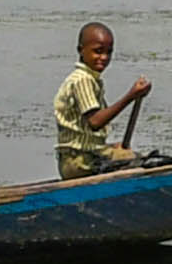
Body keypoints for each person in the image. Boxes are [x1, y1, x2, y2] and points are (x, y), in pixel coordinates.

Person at [52, 21, 159, 180]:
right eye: (98, 51)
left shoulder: (91, 79)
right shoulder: (82, 80)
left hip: (83, 157)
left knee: (127, 154)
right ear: (81, 50)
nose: (104, 57)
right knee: (141, 162)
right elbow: (95, 122)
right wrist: (130, 96)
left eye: (109, 52)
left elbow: (85, 134)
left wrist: (108, 147)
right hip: (79, 163)